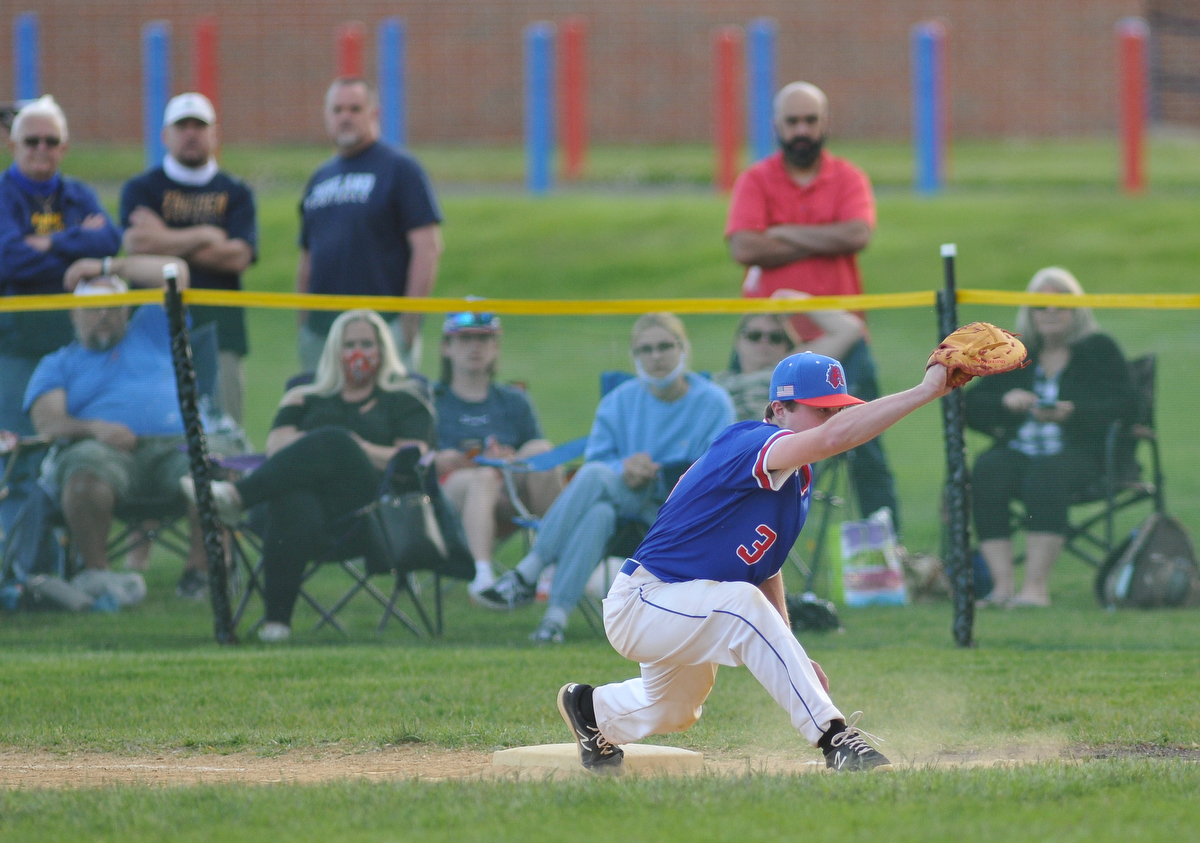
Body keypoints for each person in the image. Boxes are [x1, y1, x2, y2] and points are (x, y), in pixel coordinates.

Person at [554, 351, 957, 775]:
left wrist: (792, 653)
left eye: (838, 408)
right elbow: (834, 439)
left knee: (676, 709)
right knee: (739, 603)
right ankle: (833, 736)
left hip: (689, 604)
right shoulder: (751, 442)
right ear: (779, 410)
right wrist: (926, 390)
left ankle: (590, 709)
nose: (834, 418)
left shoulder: (795, 478)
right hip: (644, 600)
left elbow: (765, 569)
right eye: (822, 410)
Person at [474, 313, 737, 643]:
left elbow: (716, 473)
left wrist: (657, 473)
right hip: (623, 500)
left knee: (597, 476)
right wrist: (624, 468)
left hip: (677, 512)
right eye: (645, 349)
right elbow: (599, 460)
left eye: (665, 346)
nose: (656, 356)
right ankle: (554, 619)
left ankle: (530, 570)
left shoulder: (713, 402)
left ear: (684, 349)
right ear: (634, 356)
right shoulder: (619, 401)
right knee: (599, 511)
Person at [182, 309, 436, 642]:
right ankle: (277, 626)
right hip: (304, 512)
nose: (357, 353)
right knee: (295, 498)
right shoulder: (305, 396)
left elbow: (411, 455)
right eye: (349, 345)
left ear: (383, 349)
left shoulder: (404, 399)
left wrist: (354, 447)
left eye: (366, 344)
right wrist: (324, 449)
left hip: (366, 509)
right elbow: (276, 446)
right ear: (334, 350)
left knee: (335, 440)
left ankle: (237, 497)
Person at [724, 81, 900, 533]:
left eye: (810, 120)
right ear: (777, 126)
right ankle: (738, 542)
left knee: (867, 449)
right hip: (768, 341)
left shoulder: (847, 178)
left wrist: (781, 233)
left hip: (840, 340)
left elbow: (856, 235)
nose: (801, 130)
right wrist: (821, 237)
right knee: (745, 447)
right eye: (792, 121)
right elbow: (744, 245)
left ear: (824, 124)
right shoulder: (756, 179)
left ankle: (889, 552)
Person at [22, 257, 206, 604]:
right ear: (73, 314)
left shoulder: (153, 330)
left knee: (211, 469)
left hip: (175, 445)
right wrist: (94, 428)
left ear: (127, 312)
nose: (103, 315)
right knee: (82, 478)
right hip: (103, 452)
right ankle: (98, 576)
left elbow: (176, 273)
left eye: (113, 307)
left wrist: (108, 267)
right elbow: (47, 422)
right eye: (93, 308)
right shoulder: (58, 364)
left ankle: (199, 573)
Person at [965, 268, 1136, 608]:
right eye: (1041, 305)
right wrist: (1006, 401)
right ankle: (1002, 588)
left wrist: (1073, 411)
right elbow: (972, 404)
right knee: (988, 470)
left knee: (1047, 474)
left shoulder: (1099, 350)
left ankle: (1035, 589)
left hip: (1083, 453)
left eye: (1062, 305)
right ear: (1029, 312)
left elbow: (1128, 406)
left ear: (1078, 310)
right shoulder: (1016, 353)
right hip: (1022, 450)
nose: (1051, 313)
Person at [0, 95, 121, 547]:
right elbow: (8, 259)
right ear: (13, 144)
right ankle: (26, 568)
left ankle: (69, 565)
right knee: (20, 455)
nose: (41, 149)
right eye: (31, 140)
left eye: (52, 141)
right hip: (15, 347)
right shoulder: (5, 194)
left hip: (75, 350)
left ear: (65, 147)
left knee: (75, 455)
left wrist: (45, 244)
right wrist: (75, 245)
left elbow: (110, 240)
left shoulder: (77, 193)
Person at [120, 92, 257, 425]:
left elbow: (237, 257)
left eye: (200, 125)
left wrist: (162, 238)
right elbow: (137, 244)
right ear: (165, 135)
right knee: (151, 425)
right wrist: (207, 235)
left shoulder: (236, 192)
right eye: (182, 126)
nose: (191, 133)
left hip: (220, 330)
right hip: (152, 333)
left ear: (214, 134)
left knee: (223, 429)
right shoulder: (141, 188)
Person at [296, 77, 443, 373]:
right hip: (323, 332)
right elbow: (308, 257)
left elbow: (427, 248)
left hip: (382, 331)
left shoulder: (400, 169)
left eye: (354, 109)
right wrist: (304, 324)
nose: (345, 117)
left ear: (373, 114)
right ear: (327, 117)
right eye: (337, 110)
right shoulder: (320, 177)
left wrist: (408, 323)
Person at [431, 312, 564, 599]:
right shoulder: (433, 401)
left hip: (510, 491)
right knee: (483, 477)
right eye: (465, 339)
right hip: (453, 493)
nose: (475, 347)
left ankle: (549, 565)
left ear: (496, 347)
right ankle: (481, 575)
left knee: (541, 451)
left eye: (484, 338)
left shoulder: (514, 400)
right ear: (446, 347)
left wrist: (509, 460)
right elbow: (421, 457)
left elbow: (537, 459)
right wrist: (447, 458)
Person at [715, 300, 864, 422]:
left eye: (775, 338)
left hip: (774, 445)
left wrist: (801, 301)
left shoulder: (794, 373)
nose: (764, 343)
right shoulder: (716, 382)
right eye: (755, 335)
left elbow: (849, 330)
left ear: (787, 344)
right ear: (738, 341)